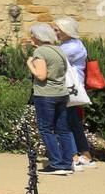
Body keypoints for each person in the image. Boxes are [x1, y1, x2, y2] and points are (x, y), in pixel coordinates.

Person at [26, 22, 76, 175]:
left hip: (45, 95)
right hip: (61, 94)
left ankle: (56, 163)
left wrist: (29, 64)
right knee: (63, 129)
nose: (31, 38)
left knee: (46, 129)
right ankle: (68, 163)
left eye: (32, 35)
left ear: (39, 36)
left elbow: (41, 75)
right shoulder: (59, 50)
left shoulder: (40, 52)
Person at [54, 16, 96, 170]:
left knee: (64, 122)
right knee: (73, 122)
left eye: (57, 30)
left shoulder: (70, 47)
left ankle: (74, 157)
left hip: (69, 88)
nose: (55, 32)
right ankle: (85, 156)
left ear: (66, 31)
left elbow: (53, 59)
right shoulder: (73, 44)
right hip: (72, 88)